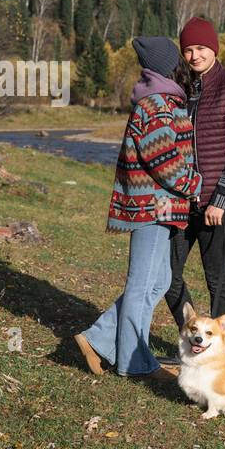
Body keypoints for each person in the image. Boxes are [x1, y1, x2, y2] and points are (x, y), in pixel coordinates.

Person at [75, 36, 202, 378]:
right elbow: (163, 160)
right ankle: (134, 361)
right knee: (141, 283)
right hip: (152, 207)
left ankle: (97, 338)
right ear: (168, 66)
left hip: (160, 208)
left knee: (159, 280)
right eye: (178, 59)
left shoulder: (162, 99)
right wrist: (195, 185)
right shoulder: (156, 103)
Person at [164, 16, 225, 329]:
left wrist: (222, 199)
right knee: (167, 273)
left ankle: (218, 354)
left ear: (213, 48)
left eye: (201, 47)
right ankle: (192, 336)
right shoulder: (185, 89)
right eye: (188, 49)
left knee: (216, 278)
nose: (195, 55)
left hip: (219, 202)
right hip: (185, 201)